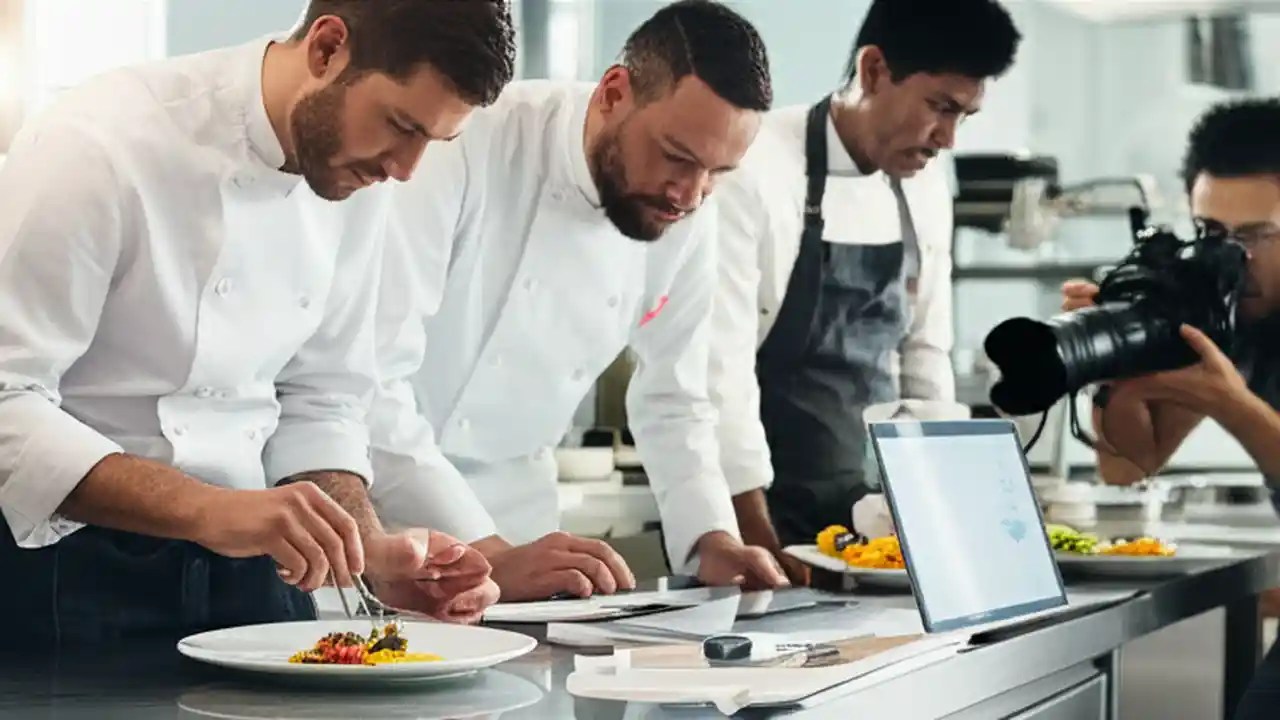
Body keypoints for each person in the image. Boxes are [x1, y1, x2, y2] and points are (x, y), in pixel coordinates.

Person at [0, 0, 516, 645]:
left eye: (432, 143)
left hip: (256, 584)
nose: (404, 170)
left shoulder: (353, 177)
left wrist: (367, 557)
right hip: (70, 573)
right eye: (400, 124)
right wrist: (213, 510)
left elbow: (322, 398)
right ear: (328, 48)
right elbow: (7, 399)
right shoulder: (97, 141)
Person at [370, 0, 789, 602]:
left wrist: (711, 539)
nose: (690, 194)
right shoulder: (466, 140)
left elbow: (676, 397)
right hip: (392, 526)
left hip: (525, 527)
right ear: (614, 93)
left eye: (717, 172)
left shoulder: (686, 210)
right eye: (676, 155)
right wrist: (485, 555)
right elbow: (375, 382)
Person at [708, 0, 1022, 577]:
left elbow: (924, 357)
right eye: (939, 107)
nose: (948, 138)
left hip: (879, 529)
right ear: (874, 69)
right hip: (761, 521)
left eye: (965, 116)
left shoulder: (923, 190)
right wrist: (754, 538)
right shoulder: (755, 169)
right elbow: (719, 373)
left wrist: (943, 526)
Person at [1056, 98, 1280, 720]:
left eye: (1256, 236)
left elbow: (1228, 408)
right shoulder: (1231, 308)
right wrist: (1113, 353)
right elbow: (1130, 465)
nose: (1235, 258)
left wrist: (1229, 404)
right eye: (1213, 234)